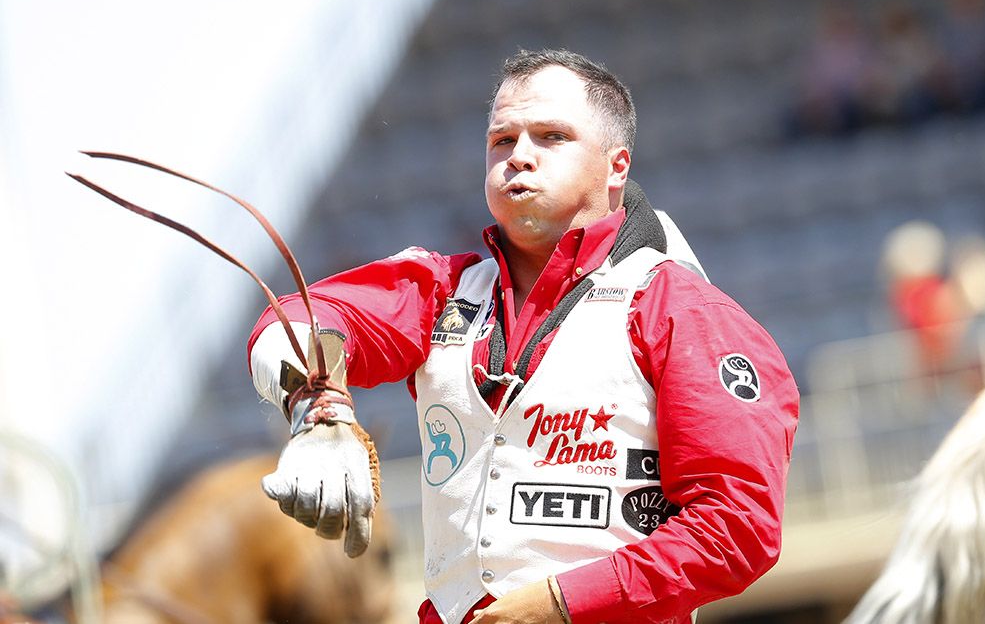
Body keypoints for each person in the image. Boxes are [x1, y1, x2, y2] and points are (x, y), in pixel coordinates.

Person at [247, 49, 800, 624]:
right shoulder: (443, 290)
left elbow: (739, 528)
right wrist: (318, 406)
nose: (519, 158)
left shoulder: (683, 311)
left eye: (551, 136)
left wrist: (560, 605)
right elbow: (297, 318)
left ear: (617, 165)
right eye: (502, 140)